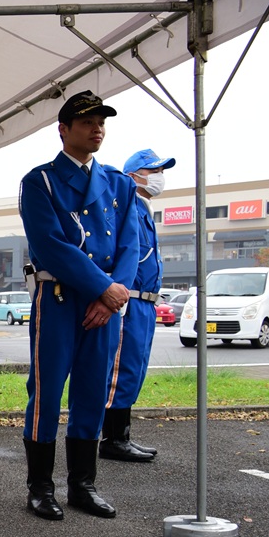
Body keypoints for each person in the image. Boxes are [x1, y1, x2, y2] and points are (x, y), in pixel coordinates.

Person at [19, 91, 139, 521]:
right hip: (59, 300)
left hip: (102, 306)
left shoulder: (120, 183)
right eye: (86, 121)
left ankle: (83, 485)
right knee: (47, 393)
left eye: (101, 120)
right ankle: (40, 487)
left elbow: (130, 244)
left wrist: (112, 297)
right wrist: (103, 289)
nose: (97, 127)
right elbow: (51, 247)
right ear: (63, 129)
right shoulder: (41, 182)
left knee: (91, 392)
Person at [102, 149, 176, 463]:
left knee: (135, 368)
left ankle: (123, 435)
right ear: (133, 175)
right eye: (152, 170)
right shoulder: (129, 206)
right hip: (129, 301)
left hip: (145, 303)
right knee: (121, 370)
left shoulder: (144, 208)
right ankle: (112, 438)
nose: (158, 175)